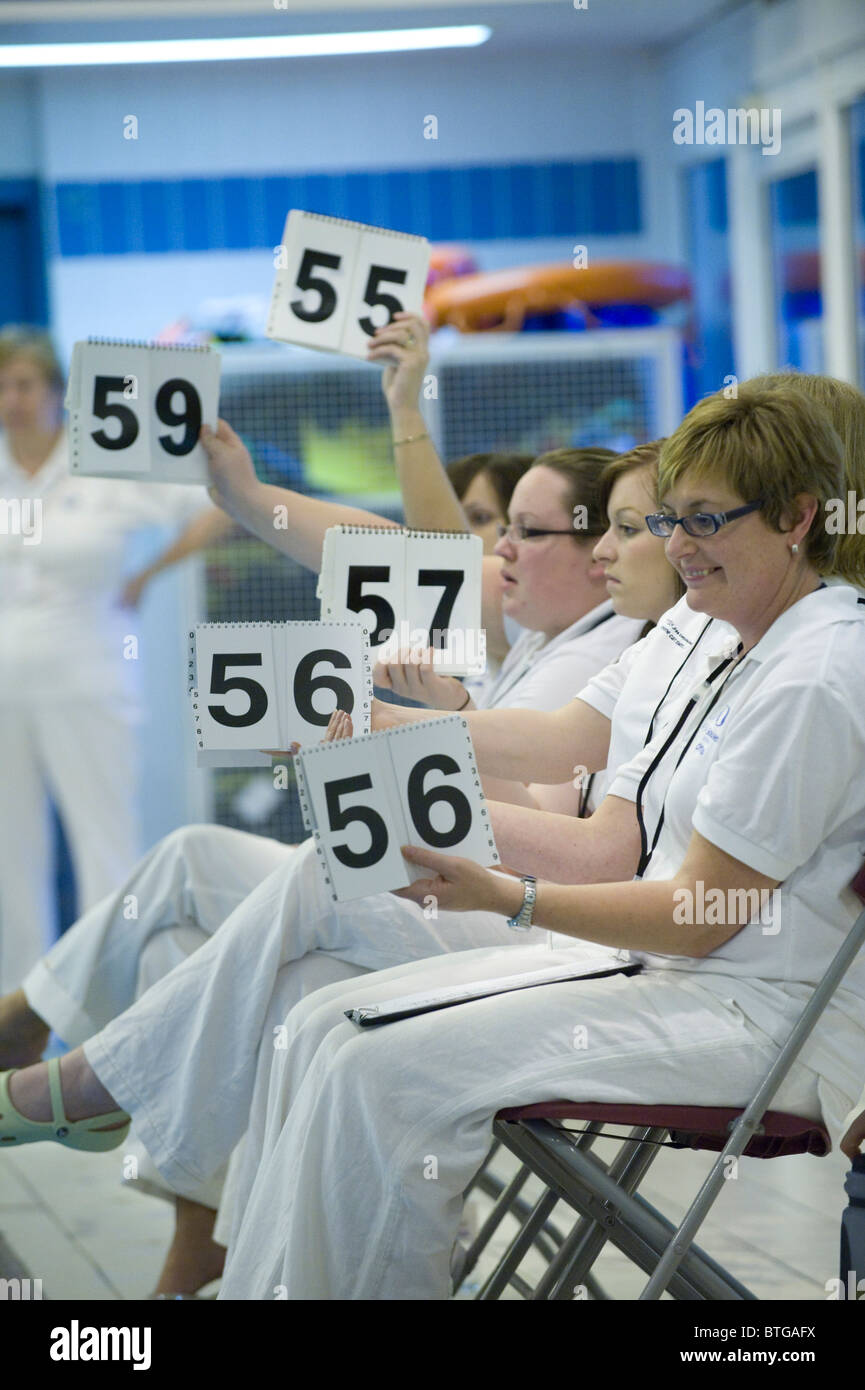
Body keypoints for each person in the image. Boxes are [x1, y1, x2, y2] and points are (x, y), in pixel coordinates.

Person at [0, 440, 669, 1296]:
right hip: (511, 908)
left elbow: (548, 836)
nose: (492, 546)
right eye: (492, 525)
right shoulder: (563, 635)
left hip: (552, 938)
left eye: (521, 529)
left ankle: (88, 1082)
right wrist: (249, 496)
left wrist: (408, 733)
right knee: (261, 955)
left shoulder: (609, 648)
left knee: (315, 890)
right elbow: (388, 554)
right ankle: (232, 1255)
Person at [0, 326, 231, 990]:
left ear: (56, 393)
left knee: (104, 842)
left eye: (25, 385)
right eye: (2, 387)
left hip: (88, 675)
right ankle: (17, 1011)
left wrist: (146, 575)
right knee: (11, 855)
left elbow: (219, 504)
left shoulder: (102, 463)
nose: (13, 400)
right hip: (6, 683)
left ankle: (115, 1001)